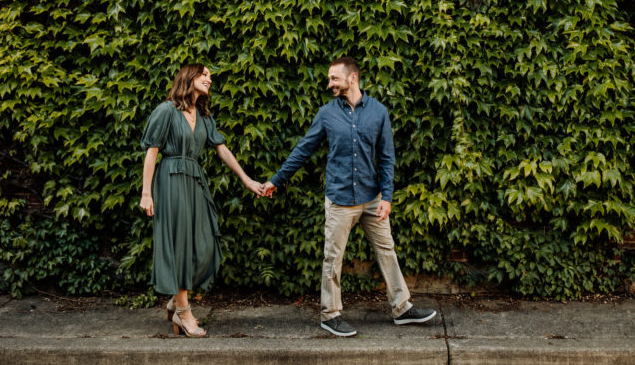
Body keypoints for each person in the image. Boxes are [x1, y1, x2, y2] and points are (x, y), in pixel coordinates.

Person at [262, 57, 436, 337]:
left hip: (372, 198)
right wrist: (276, 180)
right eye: (330, 79)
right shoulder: (327, 113)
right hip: (340, 198)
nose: (329, 83)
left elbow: (387, 157)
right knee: (333, 258)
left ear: (352, 78)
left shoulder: (378, 112)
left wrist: (387, 197)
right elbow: (304, 149)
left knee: (387, 250)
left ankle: (402, 308)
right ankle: (330, 315)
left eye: (334, 78)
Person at [140, 64, 264, 337]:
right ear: (190, 77)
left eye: (210, 76)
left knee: (204, 243)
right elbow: (152, 152)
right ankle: (184, 313)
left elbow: (223, 150)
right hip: (170, 179)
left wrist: (247, 180)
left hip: (194, 180)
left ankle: (176, 301)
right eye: (205, 75)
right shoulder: (166, 111)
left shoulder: (205, 116)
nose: (210, 79)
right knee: (179, 243)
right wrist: (146, 193)